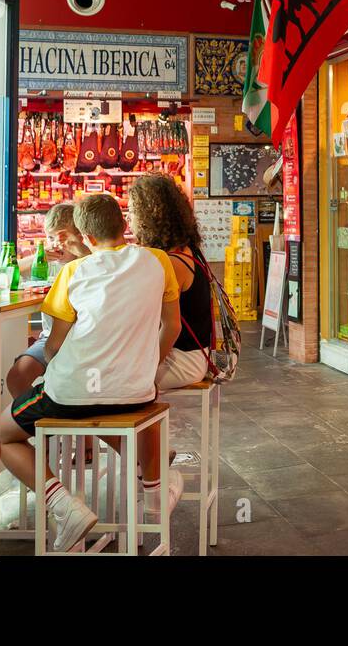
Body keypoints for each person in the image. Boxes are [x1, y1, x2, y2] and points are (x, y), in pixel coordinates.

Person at [0, 195, 181, 552]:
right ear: (124, 225)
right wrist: (146, 367)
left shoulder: (71, 272)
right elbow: (170, 326)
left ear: (84, 236)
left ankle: (64, 505)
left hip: (70, 395)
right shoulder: (158, 261)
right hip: (138, 393)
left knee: (2, 435)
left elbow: (54, 345)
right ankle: (154, 491)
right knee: (114, 415)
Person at [128, 173, 213, 501]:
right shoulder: (187, 250)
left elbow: (166, 325)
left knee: (118, 387)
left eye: (134, 213)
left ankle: (156, 474)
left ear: (148, 216)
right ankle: (149, 461)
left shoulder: (169, 263)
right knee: (117, 384)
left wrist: (146, 364)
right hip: (194, 354)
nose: (131, 219)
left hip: (184, 359)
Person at [5, 202, 90, 398]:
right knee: (17, 376)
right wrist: (37, 256)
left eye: (61, 237)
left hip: (84, 338)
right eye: (50, 237)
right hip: (50, 337)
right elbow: (7, 274)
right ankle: (37, 423)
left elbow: (103, 264)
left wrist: (80, 251)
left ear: (79, 236)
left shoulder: (89, 261)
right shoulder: (46, 265)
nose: (55, 244)